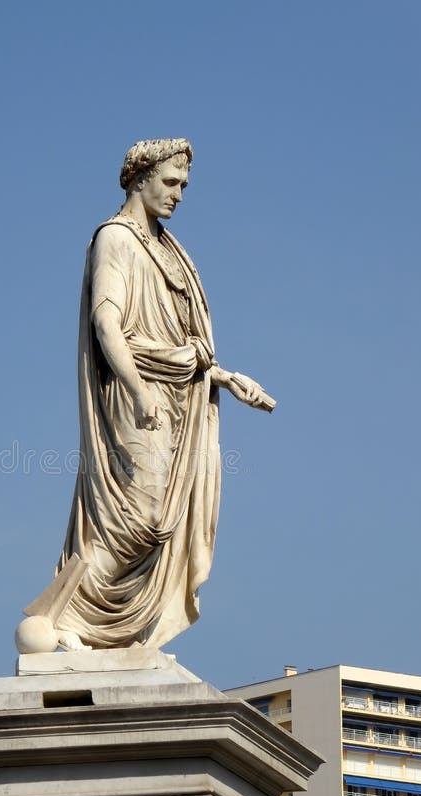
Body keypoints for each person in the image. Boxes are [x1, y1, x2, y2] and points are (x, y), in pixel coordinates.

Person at [48, 139, 271, 651]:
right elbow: (108, 323)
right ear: (138, 178)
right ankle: (64, 616)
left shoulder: (170, 250)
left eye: (183, 186)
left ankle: (84, 624)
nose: (178, 195)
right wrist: (136, 387)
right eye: (170, 182)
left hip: (176, 401)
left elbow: (181, 344)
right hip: (135, 399)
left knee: (159, 521)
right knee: (139, 516)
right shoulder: (116, 239)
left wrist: (225, 378)